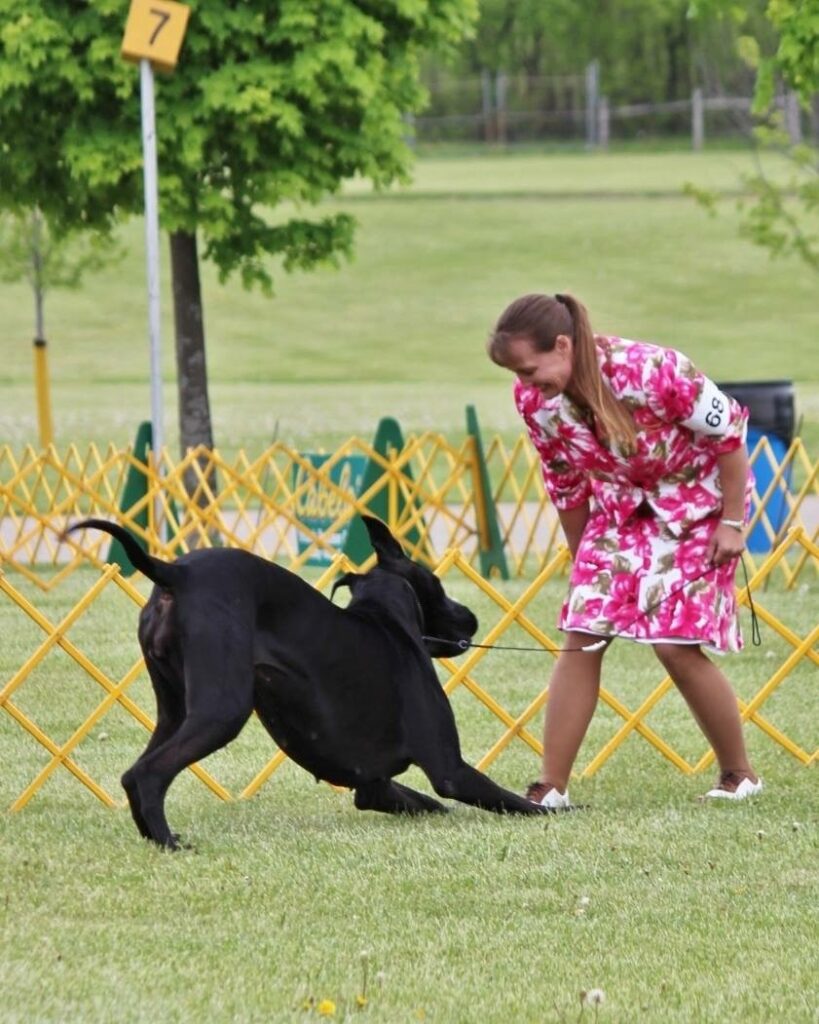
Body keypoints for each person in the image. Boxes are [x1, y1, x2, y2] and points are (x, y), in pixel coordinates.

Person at [487, 292, 762, 807]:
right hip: (619, 512)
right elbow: (564, 479)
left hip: (697, 505)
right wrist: (582, 560)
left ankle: (738, 774)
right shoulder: (535, 402)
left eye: (529, 369)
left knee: (674, 644)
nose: (525, 385)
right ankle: (551, 788)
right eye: (516, 375)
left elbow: (729, 434)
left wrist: (731, 522)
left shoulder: (653, 369)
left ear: (563, 345)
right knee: (582, 634)